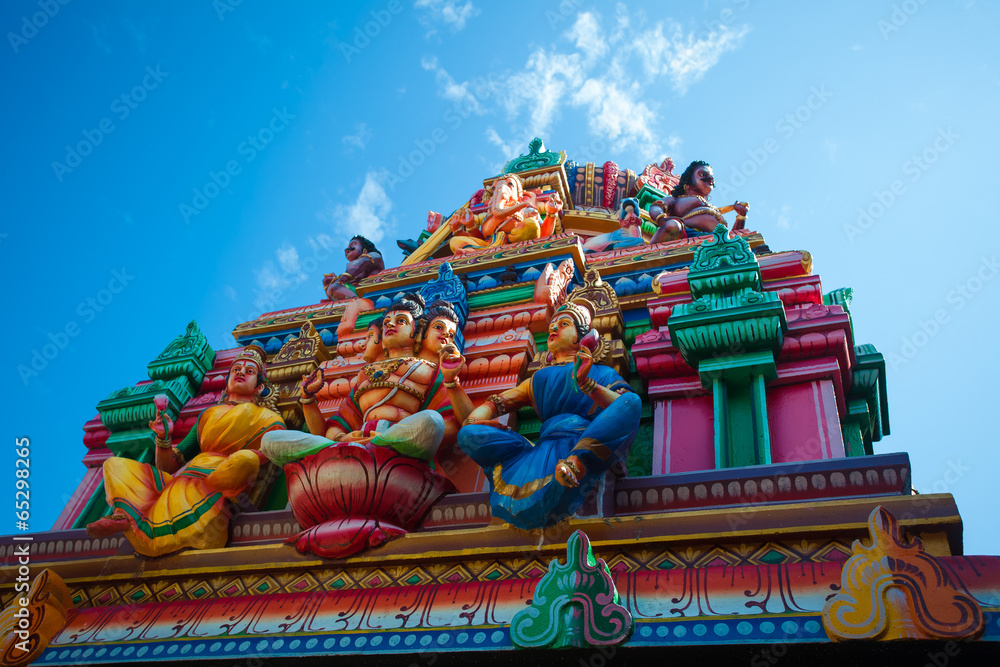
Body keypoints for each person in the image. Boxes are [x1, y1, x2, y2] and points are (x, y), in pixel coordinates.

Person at [457, 299, 641, 529]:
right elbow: (495, 404)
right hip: (539, 449)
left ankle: (577, 463)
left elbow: (623, 406)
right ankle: (541, 466)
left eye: (563, 324)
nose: (553, 329)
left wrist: (587, 383)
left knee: (632, 401)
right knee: (467, 434)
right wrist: (474, 422)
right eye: (552, 325)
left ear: (583, 337)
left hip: (581, 440)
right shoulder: (537, 379)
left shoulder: (602, 372)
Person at [86, 345, 285, 557]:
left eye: (249, 371)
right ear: (226, 383)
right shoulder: (208, 414)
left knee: (246, 459)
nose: (241, 373)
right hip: (183, 477)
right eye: (236, 369)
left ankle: (212, 503)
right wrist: (163, 438)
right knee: (115, 465)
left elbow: (275, 450)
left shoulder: (268, 418)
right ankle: (126, 514)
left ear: (259, 387)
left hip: (221, 476)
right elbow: (169, 466)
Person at [262, 293, 450, 464]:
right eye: (386, 322)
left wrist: (383, 435)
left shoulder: (429, 370)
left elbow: (446, 422)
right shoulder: (365, 374)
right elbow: (335, 426)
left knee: (431, 421)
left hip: (398, 439)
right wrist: (309, 399)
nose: (390, 325)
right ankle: (357, 449)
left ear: (417, 330)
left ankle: (374, 446)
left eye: (401, 321)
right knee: (271, 441)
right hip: (355, 441)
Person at [449, 174, 563, 255]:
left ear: (519, 194)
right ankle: (475, 252)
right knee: (455, 241)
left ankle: (476, 252)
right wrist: (467, 226)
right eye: (494, 188)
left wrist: (551, 213)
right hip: (488, 244)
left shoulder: (524, 208)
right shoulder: (489, 215)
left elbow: (543, 234)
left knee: (531, 225)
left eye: (510, 184)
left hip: (516, 240)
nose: (500, 189)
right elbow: (480, 238)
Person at [648, 161, 749, 243]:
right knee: (672, 225)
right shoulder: (677, 200)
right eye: (703, 174)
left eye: (711, 176)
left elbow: (733, 237)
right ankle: (650, 255)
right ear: (688, 185)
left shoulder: (712, 208)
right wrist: (660, 218)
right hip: (684, 234)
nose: (711, 178)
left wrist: (741, 217)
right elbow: (656, 206)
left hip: (716, 241)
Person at [323, 235, 385, 301]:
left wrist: (341, 279)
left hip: (374, 295)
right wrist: (330, 282)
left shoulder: (373, 255)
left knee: (334, 287)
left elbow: (363, 261)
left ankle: (359, 303)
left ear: (365, 250)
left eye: (352, 244)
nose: (346, 249)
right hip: (356, 295)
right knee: (332, 287)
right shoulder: (351, 270)